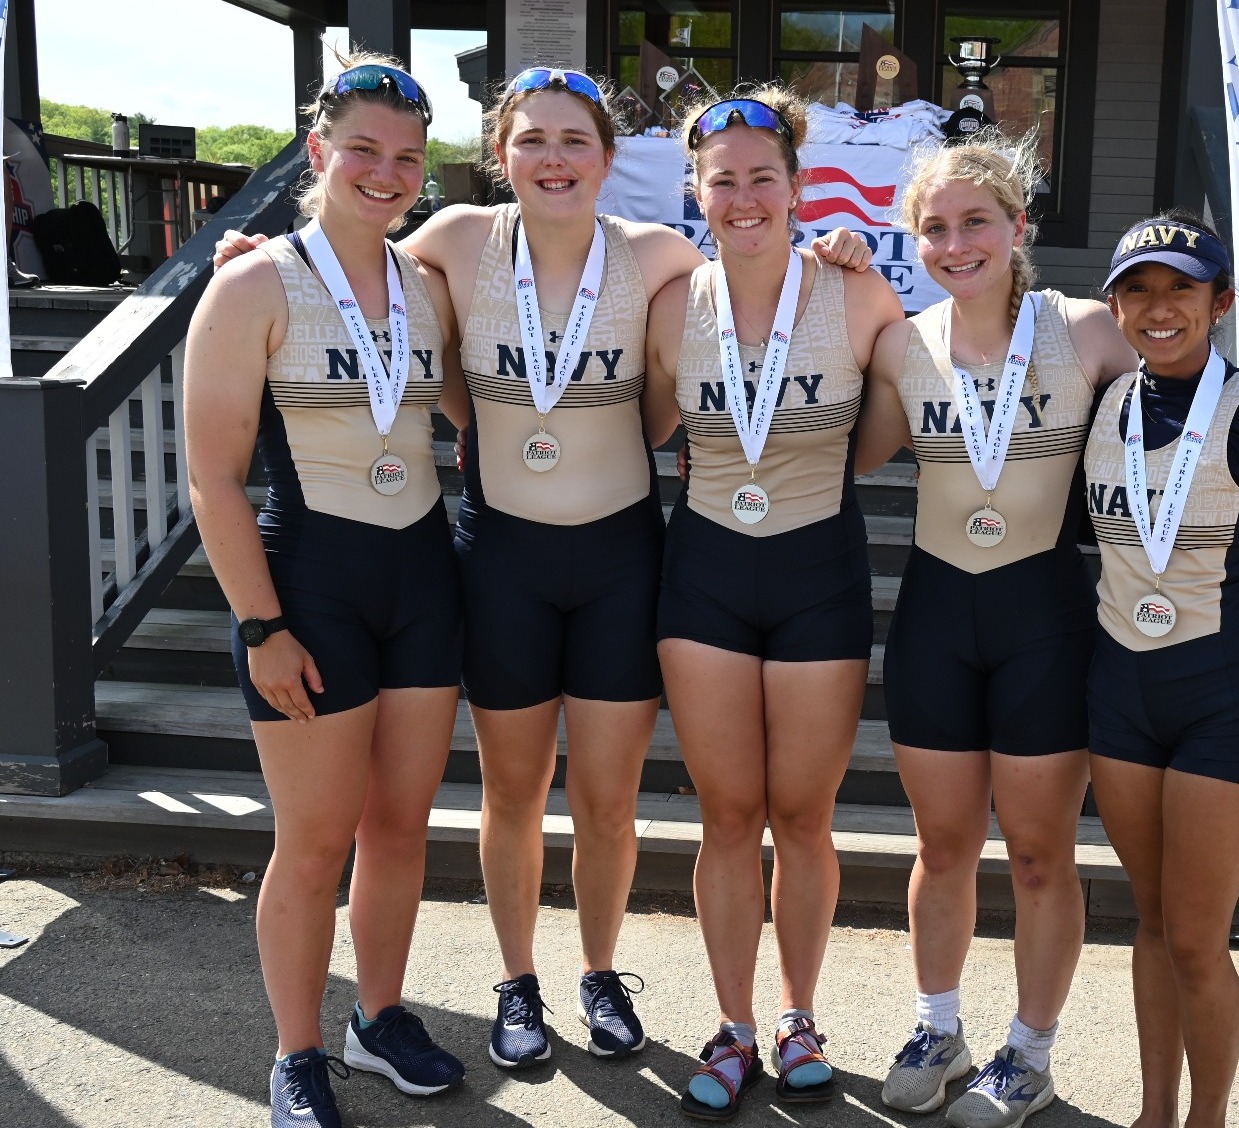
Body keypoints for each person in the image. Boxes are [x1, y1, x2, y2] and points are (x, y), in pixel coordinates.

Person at [214, 70, 872, 1069]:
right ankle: (517, 981)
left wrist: (839, 246)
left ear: (610, 160)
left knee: (608, 801)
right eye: (533, 141)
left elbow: (712, 340)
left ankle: (599, 972)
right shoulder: (452, 247)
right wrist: (254, 261)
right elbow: (357, 288)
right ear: (501, 156)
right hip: (501, 558)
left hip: (619, 555)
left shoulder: (659, 258)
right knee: (513, 795)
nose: (555, 159)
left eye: (576, 140)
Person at [186, 55, 466, 1128]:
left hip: (422, 578)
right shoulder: (251, 284)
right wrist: (260, 626)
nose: (386, 174)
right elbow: (212, 476)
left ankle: (379, 1017)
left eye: (406, 158)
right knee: (312, 840)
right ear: (319, 154)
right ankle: (297, 1053)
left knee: (400, 827)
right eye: (364, 151)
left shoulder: (429, 286)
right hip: (309, 582)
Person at [855, 133, 1138, 1128]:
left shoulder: (1092, 331)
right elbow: (846, 454)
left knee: (1036, 854)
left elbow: (1198, 412)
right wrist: (839, 285)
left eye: (975, 221)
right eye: (933, 227)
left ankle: (1029, 1053)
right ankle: (940, 1028)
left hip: (1043, 616)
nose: (954, 241)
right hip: (936, 611)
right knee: (940, 842)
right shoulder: (899, 343)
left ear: (1018, 227)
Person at [643, 86, 905, 1120]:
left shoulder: (859, 294)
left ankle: (799, 1017)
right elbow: (650, 420)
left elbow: (884, 431)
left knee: (802, 814)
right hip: (704, 572)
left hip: (816, 572)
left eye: (763, 177)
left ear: (797, 187)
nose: (743, 196)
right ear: (696, 194)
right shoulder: (671, 303)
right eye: (723, 181)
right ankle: (735, 1025)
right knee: (728, 814)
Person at [1080, 211, 1239, 1128]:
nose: (1158, 307)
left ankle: (1206, 1120)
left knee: (1194, 938)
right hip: (1119, 694)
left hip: (1223, 697)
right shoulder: (1099, 401)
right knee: (1146, 924)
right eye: (1137, 289)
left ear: (1220, 302)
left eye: (1181, 287)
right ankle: (1152, 1113)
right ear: (1113, 305)